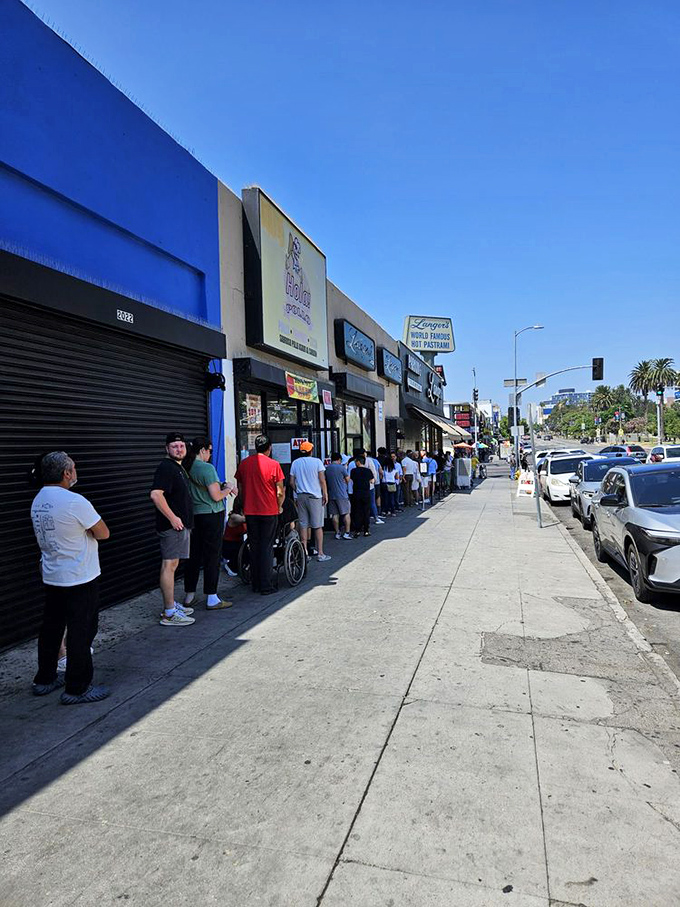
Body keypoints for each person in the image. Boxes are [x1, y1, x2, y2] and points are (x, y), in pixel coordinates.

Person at [30, 451, 111, 704]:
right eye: (73, 468)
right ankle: (78, 687)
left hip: (53, 575)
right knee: (82, 630)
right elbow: (103, 533)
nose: (75, 473)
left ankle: (44, 678)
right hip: (79, 576)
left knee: (51, 628)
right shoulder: (75, 501)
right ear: (66, 473)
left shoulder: (38, 499)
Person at [150, 433, 196, 626]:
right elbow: (156, 495)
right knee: (169, 566)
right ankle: (169, 613)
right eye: (174, 446)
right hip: (173, 528)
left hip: (179, 526)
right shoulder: (166, 468)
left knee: (171, 566)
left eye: (181, 446)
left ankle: (171, 606)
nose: (179, 449)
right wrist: (173, 518)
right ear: (166, 448)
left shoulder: (177, 468)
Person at [183, 437, 234, 611]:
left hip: (194, 515)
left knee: (193, 555)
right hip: (211, 514)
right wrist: (228, 488)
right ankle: (212, 597)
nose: (210, 454)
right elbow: (216, 496)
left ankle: (189, 595)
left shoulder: (186, 466)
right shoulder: (207, 468)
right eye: (210, 450)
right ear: (202, 450)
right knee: (212, 555)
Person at [235, 434, 285, 595]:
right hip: (268, 511)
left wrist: (243, 505)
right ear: (269, 448)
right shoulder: (274, 465)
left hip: (250, 512)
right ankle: (265, 585)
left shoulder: (244, 464)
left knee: (254, 546)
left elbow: (240, 489)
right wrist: (279, 507)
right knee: (266, 547)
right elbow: (279, 491)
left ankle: (255, 582)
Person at [289, 440, 331, 562]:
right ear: (311, 451)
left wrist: (298, 491)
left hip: (301, 496)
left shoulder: (295, 463)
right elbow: (322, 480)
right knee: (317, 526)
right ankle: (320, 553)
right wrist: (325, 494)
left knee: (303, 525)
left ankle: (305, 553)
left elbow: (291, 482)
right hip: (315, 496)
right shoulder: (317, 462)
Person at [325, 452, 352, 540]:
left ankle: (337, 532)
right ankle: (347, 532)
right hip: (342, 494)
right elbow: (348, 479)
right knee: (346, 513)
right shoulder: (341, 468)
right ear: (339, 459)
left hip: (331, 494)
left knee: (334, 515)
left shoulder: (327, 468)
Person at [350, 453, 373, 536]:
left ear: (358, 462)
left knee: (357, 511)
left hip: (356, 492)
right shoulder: (368, 471)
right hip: (366, 492)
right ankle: (366, 530)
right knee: (366, 511)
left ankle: (357, 530)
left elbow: (351, 479)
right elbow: (372, 481)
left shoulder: (353, 471)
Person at [222, 496, 246, 577]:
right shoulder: (234, 517)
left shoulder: (243, 515)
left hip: (238, 543)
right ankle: (230, 566)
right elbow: (246, 519)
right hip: (229, 545)